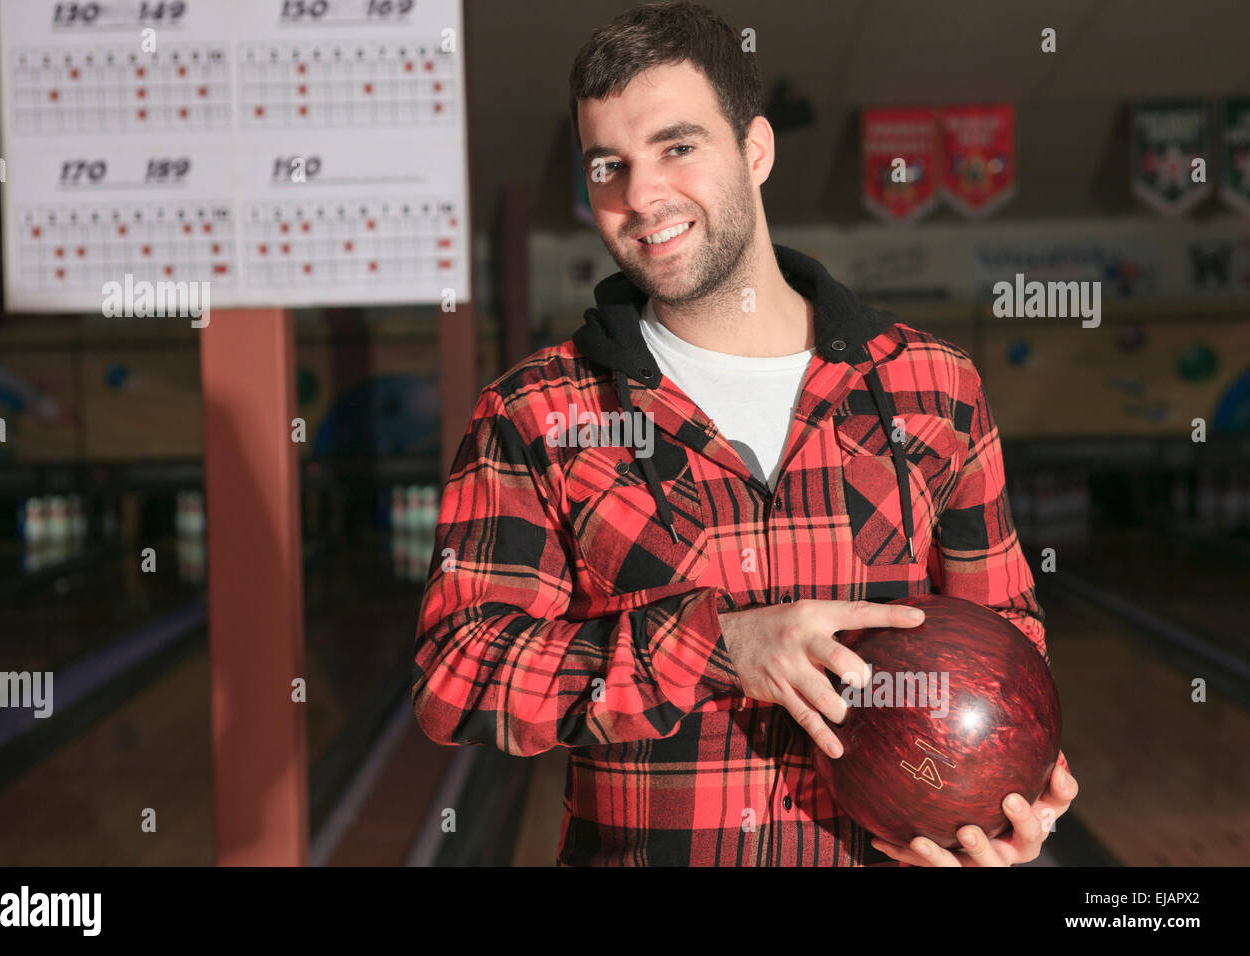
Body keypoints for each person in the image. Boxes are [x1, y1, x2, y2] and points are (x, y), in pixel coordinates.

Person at [413, 1, 1077, 866]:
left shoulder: (930, 385)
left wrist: (1006, 797)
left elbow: (1007, 639)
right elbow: (456, 676)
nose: (639, 195)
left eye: (676, 147)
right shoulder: (535, 413)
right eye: (607, 164)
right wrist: (712, 646)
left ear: (755, 150)